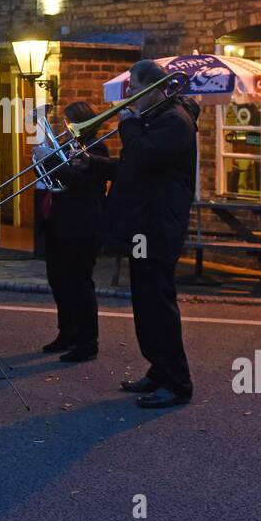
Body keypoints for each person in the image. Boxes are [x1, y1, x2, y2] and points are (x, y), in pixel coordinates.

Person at [94, 59, 199, 409]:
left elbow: (145, 157)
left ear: (154, 89)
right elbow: (132, 170)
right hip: (142, 228)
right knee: (143, 301)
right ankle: (157, 369)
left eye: (135, 90)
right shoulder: (155, 119)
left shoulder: (175, 121)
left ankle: (177, 381)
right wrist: (94, 165)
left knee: (158, 303)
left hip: (158, 228)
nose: (131, 98)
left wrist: (128, 126)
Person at [38, 102, 111, 362]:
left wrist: (49, 159)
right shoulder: (67, 147)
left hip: (82, 225)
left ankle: (87, 341)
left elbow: (78, 181)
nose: (66, 128)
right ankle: (66, 332)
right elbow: (54, 179)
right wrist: (46, 161)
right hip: (59, 222)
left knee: (80, 283)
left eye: (70, 123)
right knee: (58, 280)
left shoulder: (96, 149)